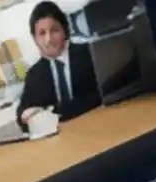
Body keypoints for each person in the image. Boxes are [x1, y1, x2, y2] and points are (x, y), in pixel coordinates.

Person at [16, 1, 103, 130]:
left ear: (65, 31)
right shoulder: (35, 74)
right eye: (42, 33)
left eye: (54, 30)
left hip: (98, 126)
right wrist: (25, 116)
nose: (48, 39)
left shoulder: (90, 54)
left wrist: (52, 112)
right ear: (34, 39)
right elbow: (23, 113)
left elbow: (99, 96)